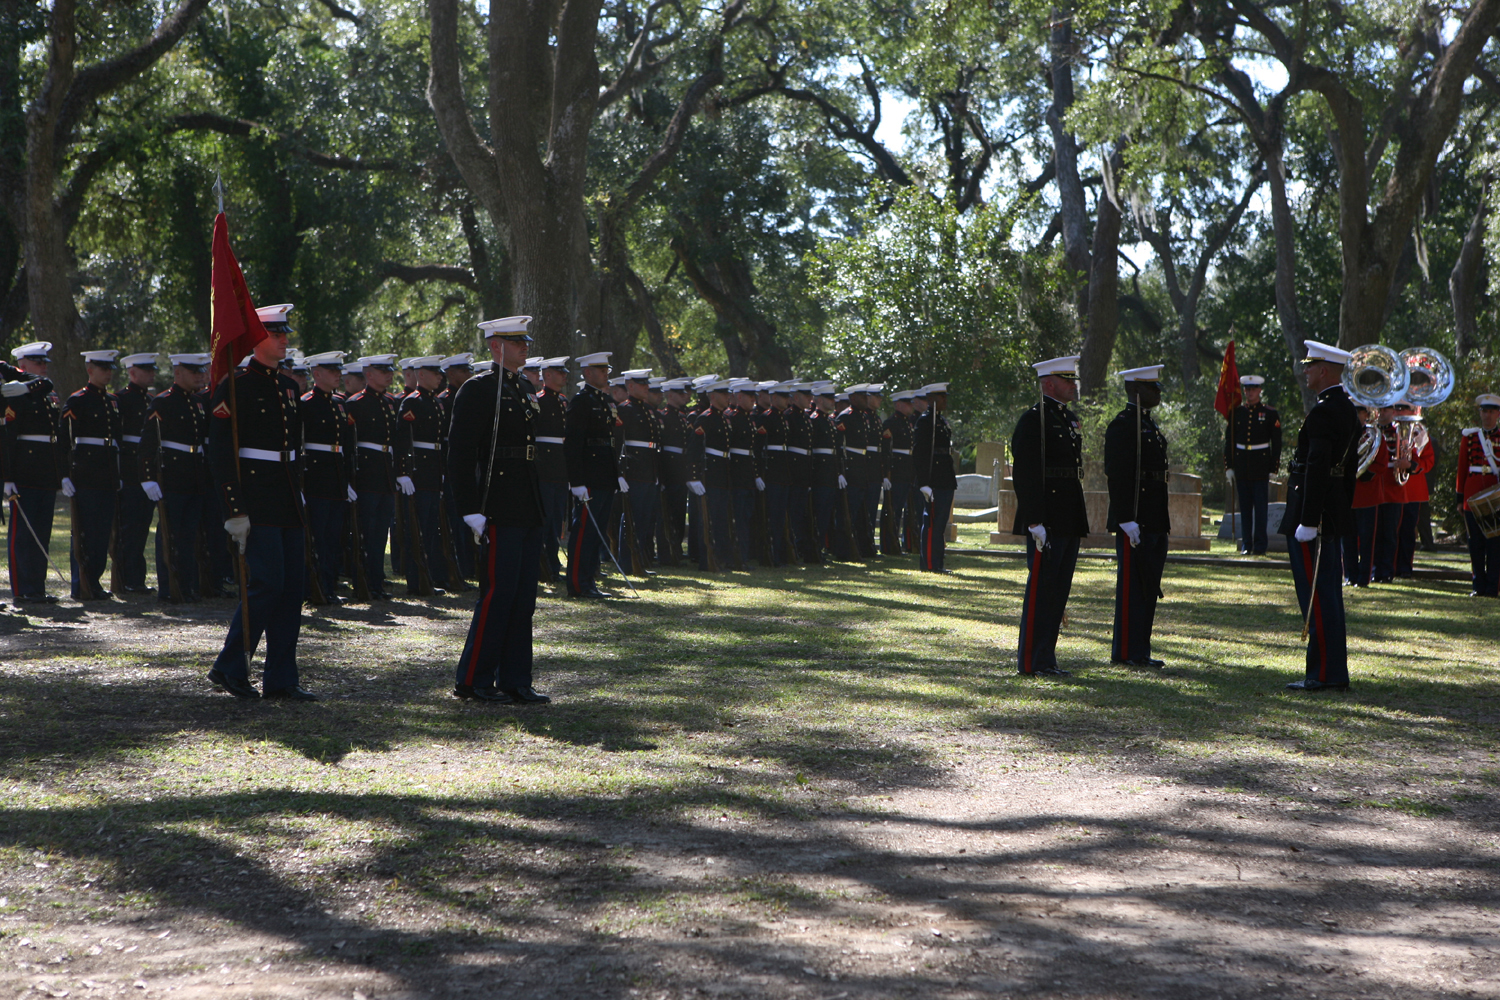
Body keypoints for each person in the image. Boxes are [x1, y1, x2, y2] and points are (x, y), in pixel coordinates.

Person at [205, 317, 316, 701]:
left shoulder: (287, 386)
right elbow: (221, 454)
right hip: (255, 497)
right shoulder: (235, 386)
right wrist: (234, 509)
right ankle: (231, 666)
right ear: (255, 338)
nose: (285, 339)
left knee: (290, 589)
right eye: (276, 333)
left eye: (286, 333)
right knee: (267, 583)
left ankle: (282, 678)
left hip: (286, 497)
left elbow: (294, 448)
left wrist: (299, 490)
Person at [449, 315, 549, 703]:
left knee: (524, 597)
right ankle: (473, 679)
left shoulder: (523, 387)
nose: (525, 346)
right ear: (495, 346)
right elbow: (459, 455)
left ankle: (515, 679)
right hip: (498, 505)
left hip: (526, 501)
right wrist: (470, 508)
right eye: (516, 340)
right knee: (497, 595)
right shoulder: (477, 390)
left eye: (525, 339)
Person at [1281, 340, 1362, 692]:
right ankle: (1331, 671)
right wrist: (1339, 510)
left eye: (1310, 366)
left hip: (1312, 517)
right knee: (1327, 593)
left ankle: (1322, 674)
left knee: (1318, 596)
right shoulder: (1345, 408)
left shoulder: (1325, 411)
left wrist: (1308, 520)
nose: (1306, 371)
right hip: (1330, 513)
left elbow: (1317, 467)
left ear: (1325, 370)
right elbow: (1347, 473)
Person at [1011, 355, 1089, 677]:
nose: (1073, 385)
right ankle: (1031, 661)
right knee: (1042, 591)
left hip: (1068, 514)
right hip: (1047, 517)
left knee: (1058, 591)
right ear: (1048, 383)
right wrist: (1034, 521)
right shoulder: (1033, 420)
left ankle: (1047, 658)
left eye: (1073, 379)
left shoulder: (1066, 418)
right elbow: (1025, 474)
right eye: (1067, 380)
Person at [1104, 366, 1171, 667]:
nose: (1157, 393)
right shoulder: (1123, 426)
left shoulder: (1148, 425)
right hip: (1136, 518)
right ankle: (1127, 652)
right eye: (1152, 388)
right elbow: (1116, 476)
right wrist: (1125, 518)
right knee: (1132, 588)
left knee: (1149, 587)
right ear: (1136, 391)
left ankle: (1140, 650)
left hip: (1154, 516)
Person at [139, 353, 211, 602]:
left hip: (194, 477)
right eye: (194, 372)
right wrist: (148, 478)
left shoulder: (198, 402)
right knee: (170, 534)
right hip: (173, 477)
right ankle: (169, 587)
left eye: (202, 371)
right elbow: (148, 443)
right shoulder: (163, 402)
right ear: (178, 373)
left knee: (189, 535)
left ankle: (187, 585)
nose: (200, 376)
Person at [59, 350, 123, 600]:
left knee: (102, 532)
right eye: (103, 368)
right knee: (84, 531)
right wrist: (64, 476)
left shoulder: (112, 401)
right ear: (90, 370)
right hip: (84, 474)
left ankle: (94, 581)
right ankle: (80, 583)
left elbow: (116, 440)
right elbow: (64, 441)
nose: (107, 373)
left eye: (110, 369)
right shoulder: (77, 400)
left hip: (106, 474)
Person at [1, 342, 62, 603]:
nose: (43, 367)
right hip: (24, 470)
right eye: (38, 363)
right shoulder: (11, 393)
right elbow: (8, 437)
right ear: (23, 365)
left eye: (44, 363)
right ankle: (23, 589)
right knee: (23, 535)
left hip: (44, 471)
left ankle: (36, 587)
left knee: (41, 532)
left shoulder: (32, 387)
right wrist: (8, 476)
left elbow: (44, 384)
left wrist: (25, 385)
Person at [299, 352, 356, 603]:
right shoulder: (306, 403)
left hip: (336, 476)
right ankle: (314, 587)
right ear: (317, 373)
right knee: (317, 536)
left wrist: (348, 479)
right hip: (316, 477)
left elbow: (346, 444)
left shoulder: (340, 403)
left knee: (334, 537)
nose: (338, 376)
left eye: (339, 371)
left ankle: (329, 587)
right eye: (332, 371)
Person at [345, 354, 402, 599]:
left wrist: (401, 472)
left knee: (381, 532)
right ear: (369, 375)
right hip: (366, 474)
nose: (389, 374)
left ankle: (377, 581)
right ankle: (362, 581)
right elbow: (349, 443)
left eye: (390, 370)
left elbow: (398, 441)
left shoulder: (390, 401)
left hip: (386, 474)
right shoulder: (355, 403)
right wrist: (350, 477)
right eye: (383, 371)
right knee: (365, 531)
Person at [564, 352, 621, 597]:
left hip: (605, 475)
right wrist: (577, 482)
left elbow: (610, 442)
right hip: (589, 477)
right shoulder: (581, 401)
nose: (606, 373)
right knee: (584, 532)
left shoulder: (606, 400)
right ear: (587, 373)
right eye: (601, 369)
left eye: (606, 369)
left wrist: (616, 474)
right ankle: (577, 584)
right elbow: (573, 445)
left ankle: (589, 581)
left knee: (597, 533)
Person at [396, 356, 450, 594]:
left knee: (430, 528)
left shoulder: (436, 402)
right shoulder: (412, 402)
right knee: (415, 529)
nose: (440, 377)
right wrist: (403, 473)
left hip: (433, 472)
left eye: (440, 373)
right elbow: (402, 440)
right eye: (435, 372)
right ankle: (415, 581)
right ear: (421, 374)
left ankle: (427, 577)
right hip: (417, 473)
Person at [113, 353, 159, 593]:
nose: (152, 373)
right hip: (130, 472)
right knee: (129, 528)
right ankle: (126, 578)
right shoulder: (120, 399)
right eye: (146, 370)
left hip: (146, 472)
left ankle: (137, 578)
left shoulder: (151, 400)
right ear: (132, 373)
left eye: (152, 369)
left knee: (142, 525)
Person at [1224, 374, 1282, 555]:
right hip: (1242, 465)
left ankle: (1260, 546)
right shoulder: (1237, 412)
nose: (1249, 393)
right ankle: (1246, 544)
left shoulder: (1270, 413)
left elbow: (1277, 443)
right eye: (1247, 390)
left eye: (1253, 389)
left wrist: (1273, 467)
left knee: (1261, 508)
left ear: (1259, 390)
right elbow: (1229, 442)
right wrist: (1229, 467)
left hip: (1260, 465)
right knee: (1245, 508)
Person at [687, 380, 736, 570]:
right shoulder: (704, 418)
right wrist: (693, 477)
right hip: (710, 474)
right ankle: (706, 559)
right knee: (708, 519)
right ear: (713, 396)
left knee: (721, 518)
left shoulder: (724, 418)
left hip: (722, 473)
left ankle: (722, 558)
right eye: (724, 394)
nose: (728, 397)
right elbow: (693, 450)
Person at [616, 369, 661, 568]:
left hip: (649, 470)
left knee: (644, 519)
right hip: (633, 469)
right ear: (631, 386)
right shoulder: (624, 409)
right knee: (631, 517)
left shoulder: (648, 410)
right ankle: (627, 561)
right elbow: (618, 442)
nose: (647, 388)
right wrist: (619, 472)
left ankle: (639, 559)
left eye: (647, 384)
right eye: (642, 384)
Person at [1457, 393, 1500, 597]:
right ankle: (1478, 586)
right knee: (1475, 544)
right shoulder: (1470, 437)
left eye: (1492, 411)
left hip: (1495, 494)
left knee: (1494, 545)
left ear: (1498, 414)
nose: (1488, 415)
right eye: (1484, 411)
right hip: (1472, 494)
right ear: (1479, 413)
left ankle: (1492, 587)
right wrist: (1459, 498)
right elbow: (1462, 468)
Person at [532, 356, 570, 583]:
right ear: (547, 376)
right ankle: (542, 564)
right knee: (544, 519)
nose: (564, 375)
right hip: (544, 467)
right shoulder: (538, 400)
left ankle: (553, 564)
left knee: (557, 519)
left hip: (560, 468)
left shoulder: (564, 401)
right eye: (559, 372)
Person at [439, 353, 477, 582]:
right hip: (450, 465)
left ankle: (468, 567)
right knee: (454, 519)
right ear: (451, 373)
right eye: (464, 371)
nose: (468, 375)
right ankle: (457, 569)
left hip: (470, 463)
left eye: (469, 371)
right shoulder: (444, 400)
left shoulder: (469, 396)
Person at [912, 382, 956, 573]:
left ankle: (938, 562)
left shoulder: (940, 420)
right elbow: (919, 454)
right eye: (941, 397)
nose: (945, 400)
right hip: (933, 480)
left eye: (945, 397)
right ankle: (930, 564)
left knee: (939, 524)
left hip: (945, 478)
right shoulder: (925, 421)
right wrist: (923, 483)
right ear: (931, 399)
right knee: (931, 524)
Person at [1392, 401, 1435, 578]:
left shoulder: (1420, 434)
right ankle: (1389, 567)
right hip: (1391, 489)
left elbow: (1428, 462)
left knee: (1408, 531)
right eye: (1396, 407)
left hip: (1412, 490)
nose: (1399, 411)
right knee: (1390, 530)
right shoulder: (1388, 429)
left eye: (1403, 408)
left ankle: (1404, 568)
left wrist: (1411, 465)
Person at [657, 378, 693, 564]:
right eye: (680, 393)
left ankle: (676, 551)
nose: (685, 396)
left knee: (679, 513)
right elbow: (662, 449)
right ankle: (666, 553)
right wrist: (662, 476)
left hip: (680, 470)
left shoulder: (682, 416)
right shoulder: (664, 416)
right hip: (669, 470)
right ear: (670, 395)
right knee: (667, 513)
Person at [880, 390, 916, 556]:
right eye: (907, 403)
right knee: (892, 510)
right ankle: (888, 545)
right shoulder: (891, 423)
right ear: (898, 404)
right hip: (897, 471)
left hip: (907, 470)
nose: (911, 406)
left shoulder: (908, 422)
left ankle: (898, 542)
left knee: (901, 509)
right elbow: (886, 450)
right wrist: (886, 474)